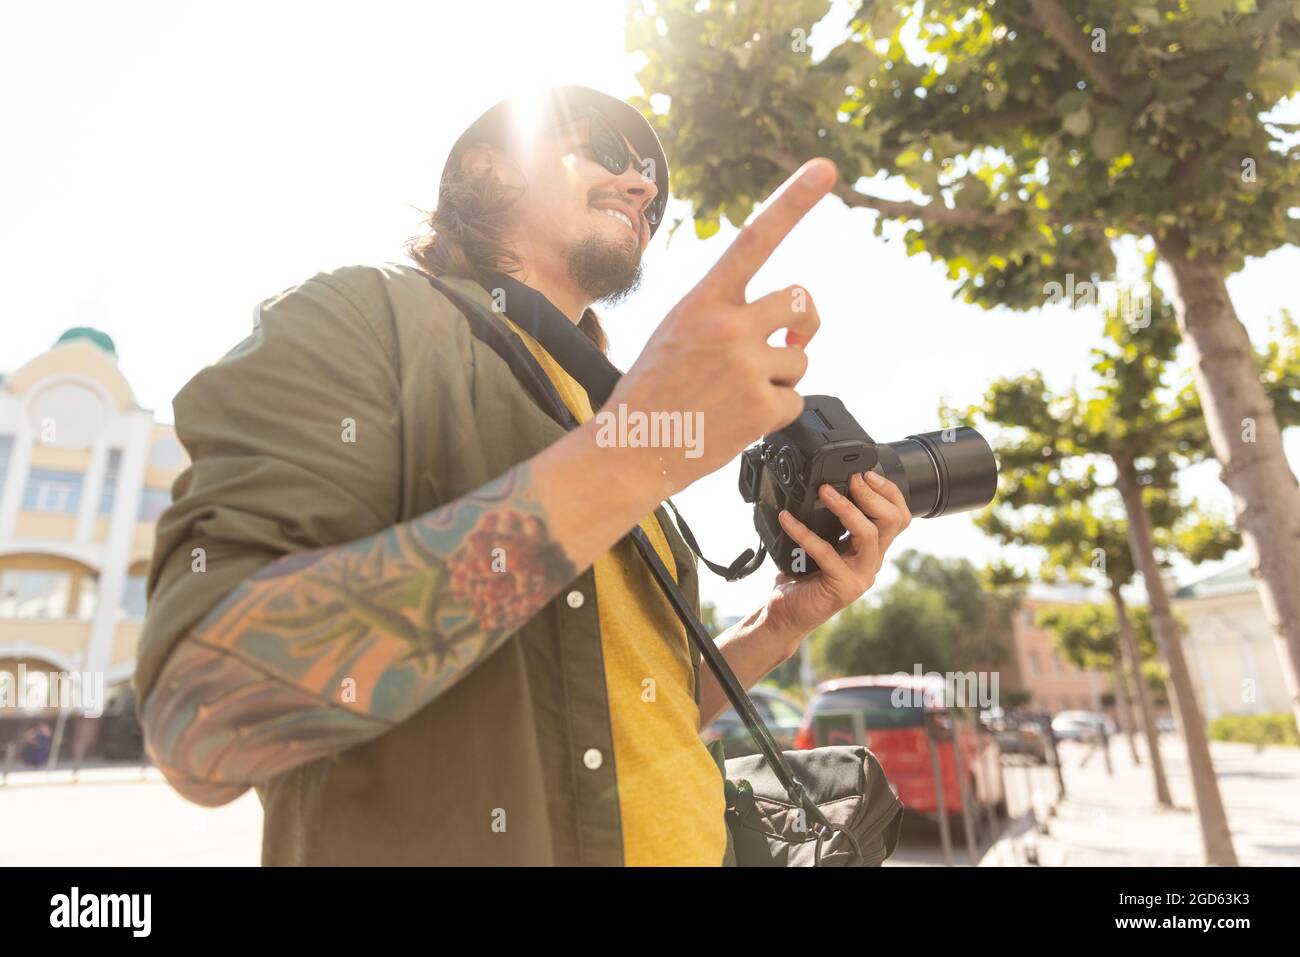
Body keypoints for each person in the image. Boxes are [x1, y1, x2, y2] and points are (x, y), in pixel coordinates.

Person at [136, 85, 912, 865]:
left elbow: (639, 714)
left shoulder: (602, 418)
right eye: (605, 150)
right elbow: (202, 711)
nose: (643, 188)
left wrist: (777, 624)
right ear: (486, 167)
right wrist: (627, 462)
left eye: (650, 185)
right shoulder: (363, 315)